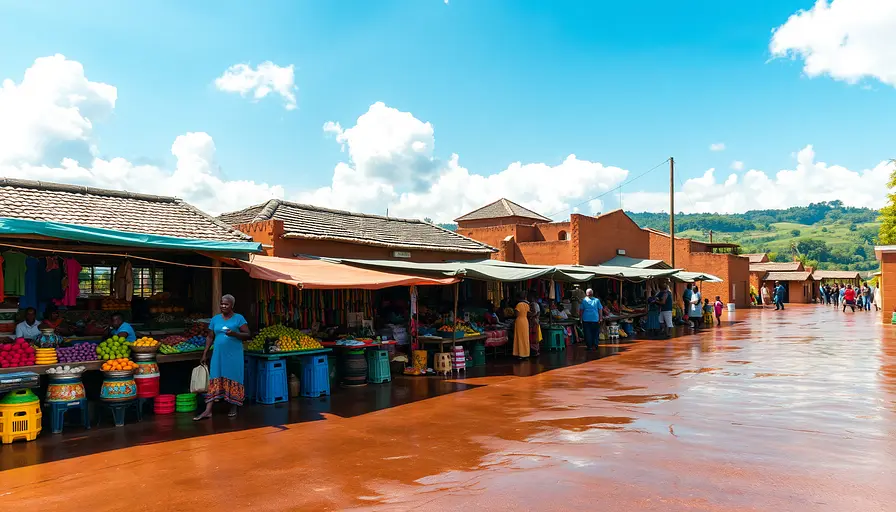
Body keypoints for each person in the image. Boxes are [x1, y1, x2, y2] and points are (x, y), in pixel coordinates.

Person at [195, 295, 250, 420]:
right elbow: (210, 337)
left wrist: (234, 333)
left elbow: (247, 334)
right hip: (218, 355)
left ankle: (233, 406)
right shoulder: (215, 319)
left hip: (234, 355)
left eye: (226, 304)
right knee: (215, 377)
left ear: (232, 306)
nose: (223, 306)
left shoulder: (239, 318)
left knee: (233, 377)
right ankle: (208, 410)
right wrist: (205, 353)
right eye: (222, 304)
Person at [512, 293, 530, 359]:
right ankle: (526, 353)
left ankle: (520, 353)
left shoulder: (518, 305)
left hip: (519, 321)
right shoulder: (527, 304)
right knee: (525, 337)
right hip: (525, 320)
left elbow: (516, 314)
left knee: (519, 337)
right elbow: (528, 313)